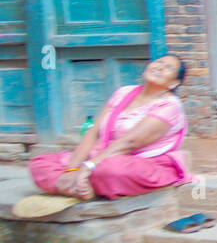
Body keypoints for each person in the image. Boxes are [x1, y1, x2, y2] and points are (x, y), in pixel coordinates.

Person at [28, 54, 191, 201]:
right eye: (158, 62)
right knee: (40, 163)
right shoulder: (123, 92)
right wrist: (71, 169)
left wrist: (89, 167)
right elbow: (93, 132)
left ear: (173, 83)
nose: (160, 67)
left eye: (168, 68)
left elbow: (130, 142)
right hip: (101, 156)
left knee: (109, 171)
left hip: (143, 164)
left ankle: (77, 185)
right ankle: (81, 186)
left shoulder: (170, 106)